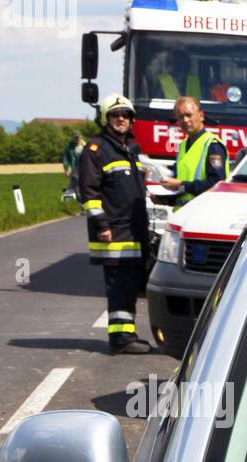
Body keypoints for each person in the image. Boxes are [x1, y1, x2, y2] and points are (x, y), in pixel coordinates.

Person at [78, 94, 151, 354]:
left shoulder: (130, 148)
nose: (121, 119)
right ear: (105, 118)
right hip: (114, 233)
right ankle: (121, 339)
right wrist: (102, 226)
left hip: (134, 231)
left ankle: (127, 332)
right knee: (119, 284)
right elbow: (89, 193)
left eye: (126, 115)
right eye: (115, 114)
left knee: (130, 284)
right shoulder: (96, 150)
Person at [160, 96, 229, 207]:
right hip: (183, 216)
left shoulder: (212, 144)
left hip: (203, 214)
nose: (185, 120)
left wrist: (181, 185)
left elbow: (217, 183)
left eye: (188, 115)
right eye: (181, 117)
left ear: (201, 116)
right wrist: (165, 200)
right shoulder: (183, 146)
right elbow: (184, 192)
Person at [61, 132, 84, 198]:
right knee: (74, 183)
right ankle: (69, 198)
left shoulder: (85, 145)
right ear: (72, 138)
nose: (77, 139)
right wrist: (66, 169)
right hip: (74, 170)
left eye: (78, 137)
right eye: (75, 137)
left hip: (84, 169)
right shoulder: (69, 147)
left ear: (80, 137)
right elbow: (66, 159)